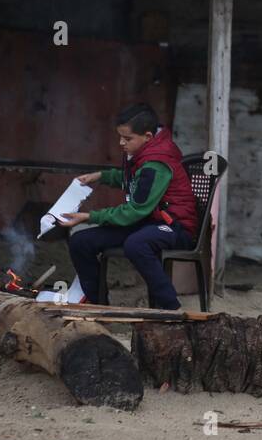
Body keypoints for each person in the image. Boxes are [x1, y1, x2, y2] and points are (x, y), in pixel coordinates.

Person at [59, 103, 198, 308]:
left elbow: (134, 211)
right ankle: (99, 306)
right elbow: (131, 179)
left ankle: (169, 308)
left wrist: (89, 217)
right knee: (81, 242)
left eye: (127, 138)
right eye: (120, 137)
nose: (121, 143)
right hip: (147, 221)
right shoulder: (141, 152)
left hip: (175, 227)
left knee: (137, 245)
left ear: (148, 137)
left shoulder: (156, 164)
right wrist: (100, 176)